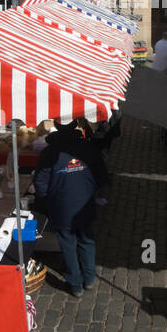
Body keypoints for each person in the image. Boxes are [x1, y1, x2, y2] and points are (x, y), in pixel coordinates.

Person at [33, 118, 109, 298]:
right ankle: (89, 278)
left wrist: (46, 201)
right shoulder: (89, 148)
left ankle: (75, 284)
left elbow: (40, 184)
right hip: (85, 204)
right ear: (75, 124)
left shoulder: (49, 153)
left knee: (68, 244)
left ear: (57, 126)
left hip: (61, 206)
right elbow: (102, 176)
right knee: (87, 239)